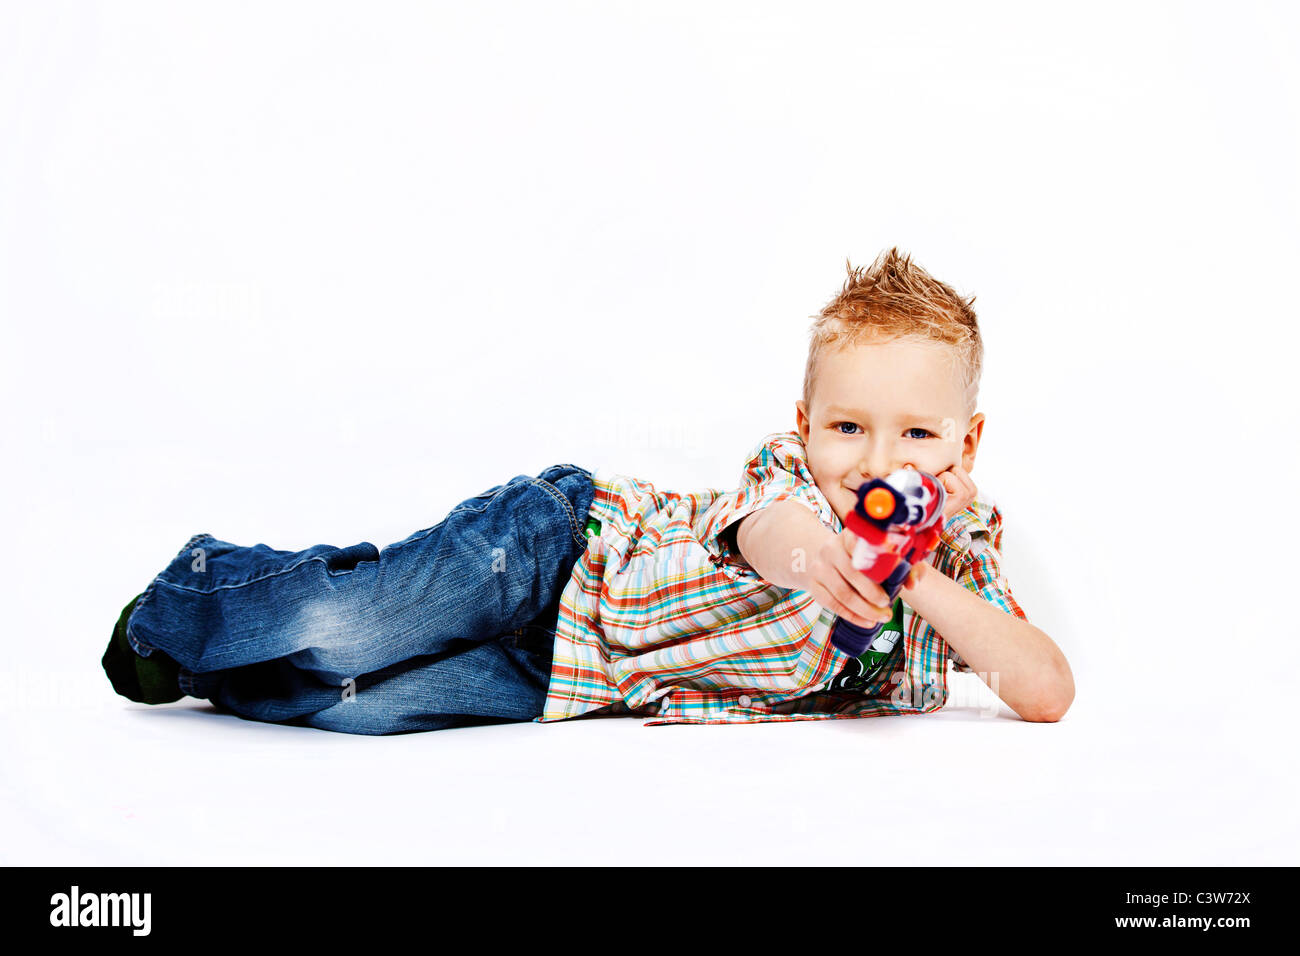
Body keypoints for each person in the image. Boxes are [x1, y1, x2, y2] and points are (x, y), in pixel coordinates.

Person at [102, 247, 1073, 733]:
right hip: (562, 550)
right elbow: (769, 534)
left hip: (575, 672)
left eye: (915, 432)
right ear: (807, 421)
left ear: (966, 441)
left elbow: (1044, 687)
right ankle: (193, 591)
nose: (874, 459)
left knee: (352, 702)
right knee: (356, 617)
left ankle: (203, 670)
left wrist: (915, 579)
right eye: (847, 426)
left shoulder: (960, 551)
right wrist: (826, 557)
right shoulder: (793, 480)